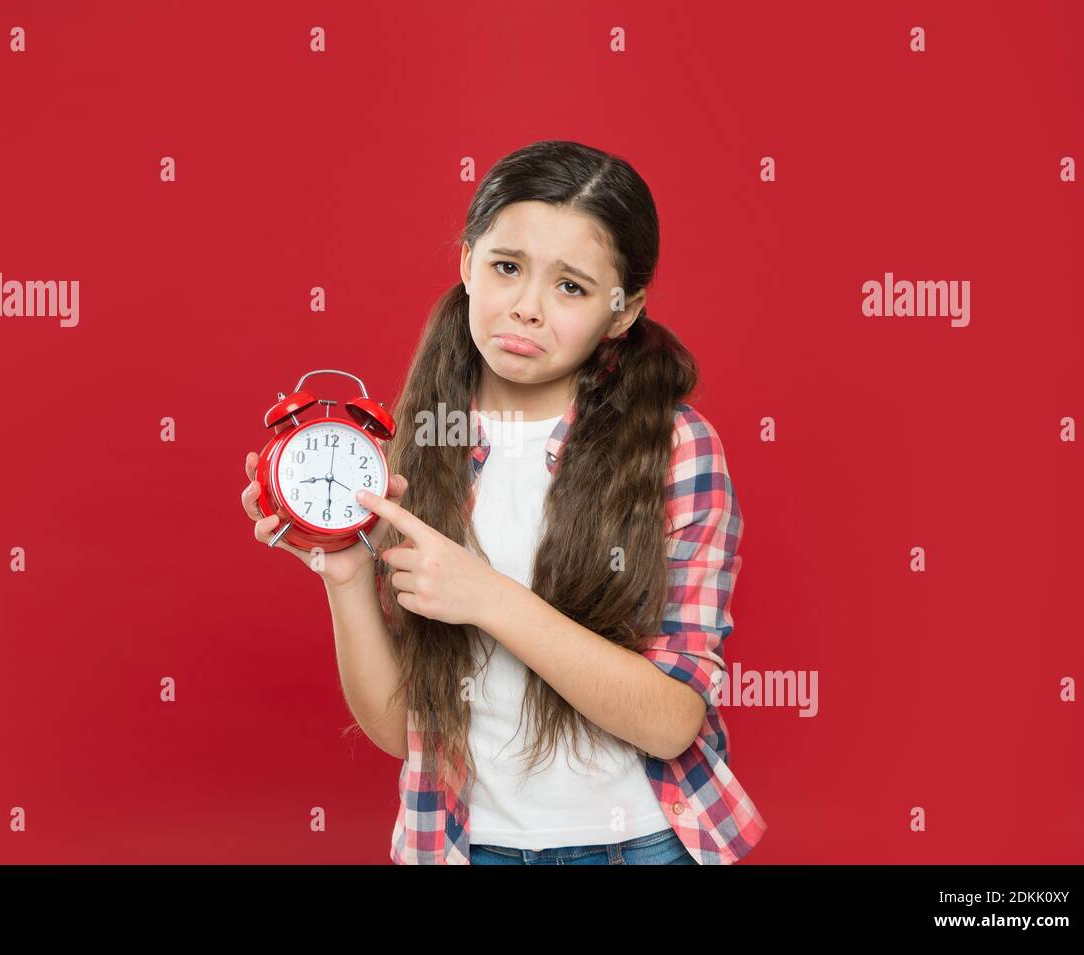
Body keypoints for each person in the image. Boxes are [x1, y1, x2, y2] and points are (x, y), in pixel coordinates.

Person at [241, 139, 767, 865]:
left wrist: (486, 596)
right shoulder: (420, 446)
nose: (525, 308)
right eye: (507, 267)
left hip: (641, 844)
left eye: (571, 288)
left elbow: (672, 721)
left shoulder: (677, 450)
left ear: (624, 310)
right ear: (466, 262)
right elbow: (404, 731)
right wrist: (344, 575)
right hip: (467, 845)